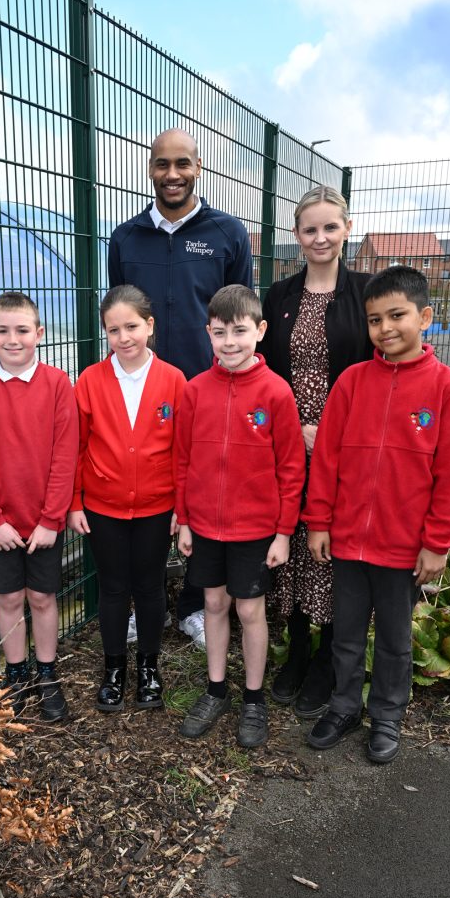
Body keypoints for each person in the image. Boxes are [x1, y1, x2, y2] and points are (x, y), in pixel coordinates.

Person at [303, 266, 450, 763]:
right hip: (349, 540)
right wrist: (319, 521)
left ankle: (388, 715)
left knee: (396, 642)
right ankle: (343, 705)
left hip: (403, 548)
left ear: (425, 316)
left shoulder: (447, 391)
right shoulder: (353, 383)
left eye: (397, 315)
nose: (385, 328)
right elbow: (328, 458)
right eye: (375, 319)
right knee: (346, 633)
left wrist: (437, 541)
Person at [108, 128, 254, 649]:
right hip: (139, 391)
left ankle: (195, 603)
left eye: (183, 164)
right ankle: (131, 601)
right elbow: (120, 310)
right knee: (136, 489)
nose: (173, 174)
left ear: (198, 167)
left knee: (201, 489)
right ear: (150, 169)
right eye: (162, 164)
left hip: (205, 388)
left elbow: (241, 313)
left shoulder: (228, 234)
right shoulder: (125, 238)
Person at [175, 285, 305, 747]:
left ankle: (253, 699)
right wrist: (184, 519)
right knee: (213, 604)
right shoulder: (194, 391)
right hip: (206, 525)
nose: (230, 342)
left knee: (250, 609)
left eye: (239, 331)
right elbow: (183, 460)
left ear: (260, 331)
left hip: (256, 529)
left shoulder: (276, 393)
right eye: (219, 333)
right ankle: (215, 691)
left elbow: (291, 468)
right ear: (207, 333)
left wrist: (283, 532)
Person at [259, 185, 372, 719]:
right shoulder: (279, 296)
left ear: (346, 229)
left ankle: (330, 658)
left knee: (333, 547)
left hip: (348, 448)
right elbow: (264, 373)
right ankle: (297, 649)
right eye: (310, 229)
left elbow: (381, 373)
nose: (320, 237)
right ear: (297, 235)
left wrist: (328, 432)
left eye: (330, 227)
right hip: (286, 446)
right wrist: (293, 428)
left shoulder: (366, 294)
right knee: (294, 540)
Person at [0, 291, 79, 722]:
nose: (13, 339)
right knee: (9, 598)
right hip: (0, 525)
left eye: (22, 330)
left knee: (43, 598)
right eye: (3, 331)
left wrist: (51, 520)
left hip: (44, 523)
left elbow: (66, 457)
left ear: (39, 334)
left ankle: (47, 672)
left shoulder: (57, 384)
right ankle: (16, 673)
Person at [68, 285, 187, 713]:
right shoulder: (90, 380)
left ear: (150, 326)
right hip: (104, 506)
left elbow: (183, 450)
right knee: (114, 588)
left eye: (132, 326)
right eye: (113, 330)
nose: (124, 337)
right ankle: (114, 667)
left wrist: (182, 507)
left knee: (150, 586)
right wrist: (75, 502)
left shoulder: (174, 380)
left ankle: (149, 667)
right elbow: (76, 446)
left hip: (157, 506)